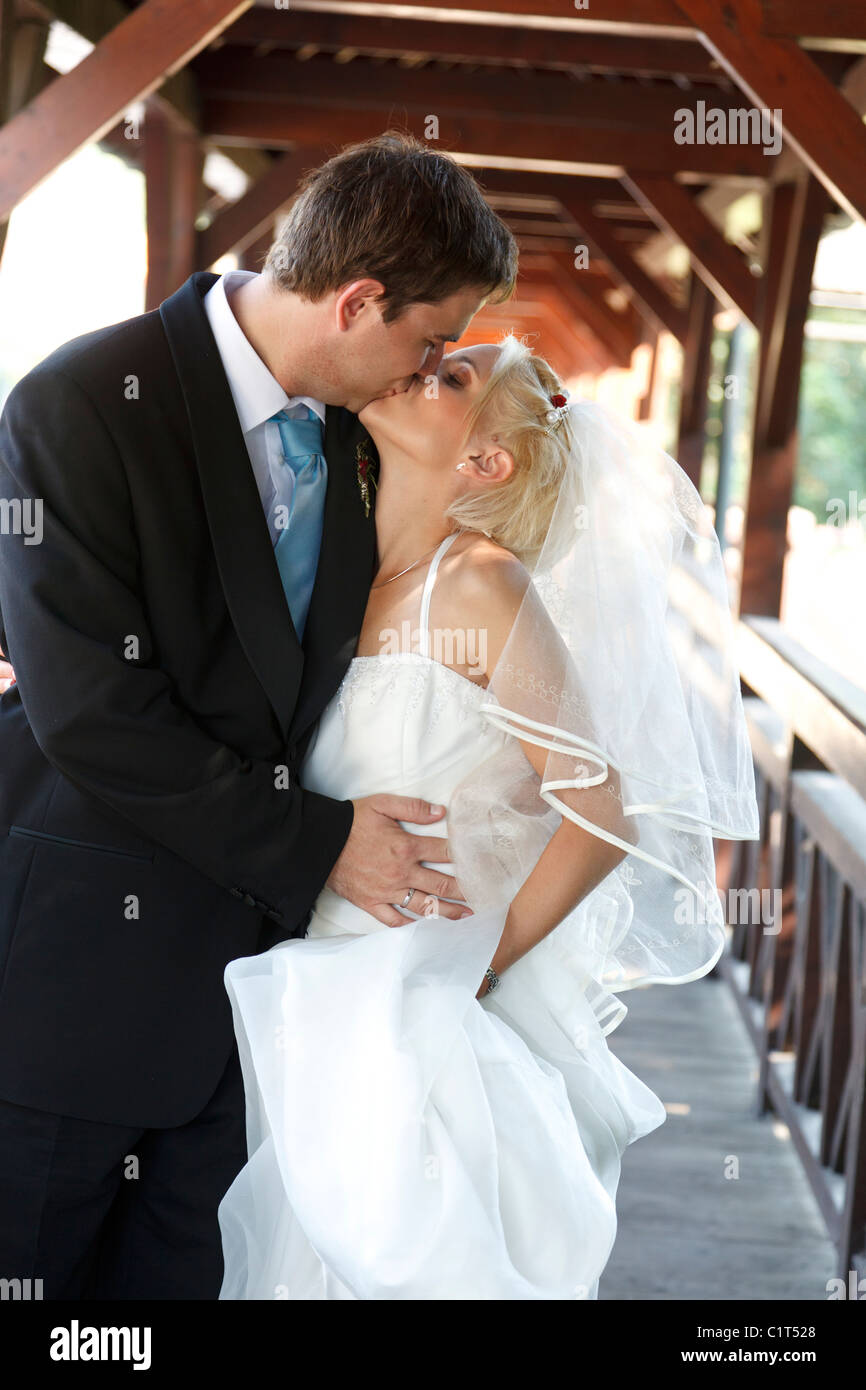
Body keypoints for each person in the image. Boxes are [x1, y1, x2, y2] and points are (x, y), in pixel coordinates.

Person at [0, 132, 517, 1299]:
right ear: (358, 299)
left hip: (265, 1026)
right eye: (429, 340)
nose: (429, 370)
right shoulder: (81, 401)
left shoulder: (364, 432)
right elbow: (93, 712)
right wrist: (325, 842)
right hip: (81, 988)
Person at [217, 335, 760, 1300]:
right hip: (304, 984)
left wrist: (482, 964)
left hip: (418, 1005)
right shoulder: (333, 571)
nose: (422, 364)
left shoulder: (479, 583)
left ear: (484, 462)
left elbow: (601, 807)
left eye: (453, 374)